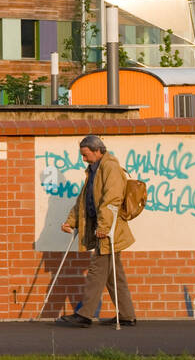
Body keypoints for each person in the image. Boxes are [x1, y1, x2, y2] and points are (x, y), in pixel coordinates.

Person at [56, 135, 137, 327]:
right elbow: (84, 201)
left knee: (96, 271)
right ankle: (127, 315)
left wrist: (104, 227)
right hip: (103, 228)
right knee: (114, 276)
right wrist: (71, 221)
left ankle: (84, 315)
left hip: (109, 231)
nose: (83, 158)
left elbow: (112, 200)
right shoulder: (94, 170)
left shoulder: (110, 168)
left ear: (97, 150)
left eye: (85, 154)